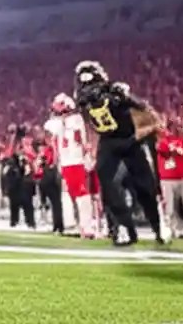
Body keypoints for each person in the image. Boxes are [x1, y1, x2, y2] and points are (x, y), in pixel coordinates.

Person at [73, 60, 165, 246]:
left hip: (130, 140)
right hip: (108, 142)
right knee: (107, 184)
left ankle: (157, 225)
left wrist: (124, 97)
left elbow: (142, 107)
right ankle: (123, 226)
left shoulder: (115, 91)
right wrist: (90, 147)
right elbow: (89, 121)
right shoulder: (83, 99)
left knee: (144, 187)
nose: (89, 89)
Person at [45, 93, 96, 238]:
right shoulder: (65, 120)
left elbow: (55, 129)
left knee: (81, 193)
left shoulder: (74, 120)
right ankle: (74, 224)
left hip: (75, 159)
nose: (55, 108)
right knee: (69, 193)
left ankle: (86, 225)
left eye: (59, 105)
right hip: (67, 161)